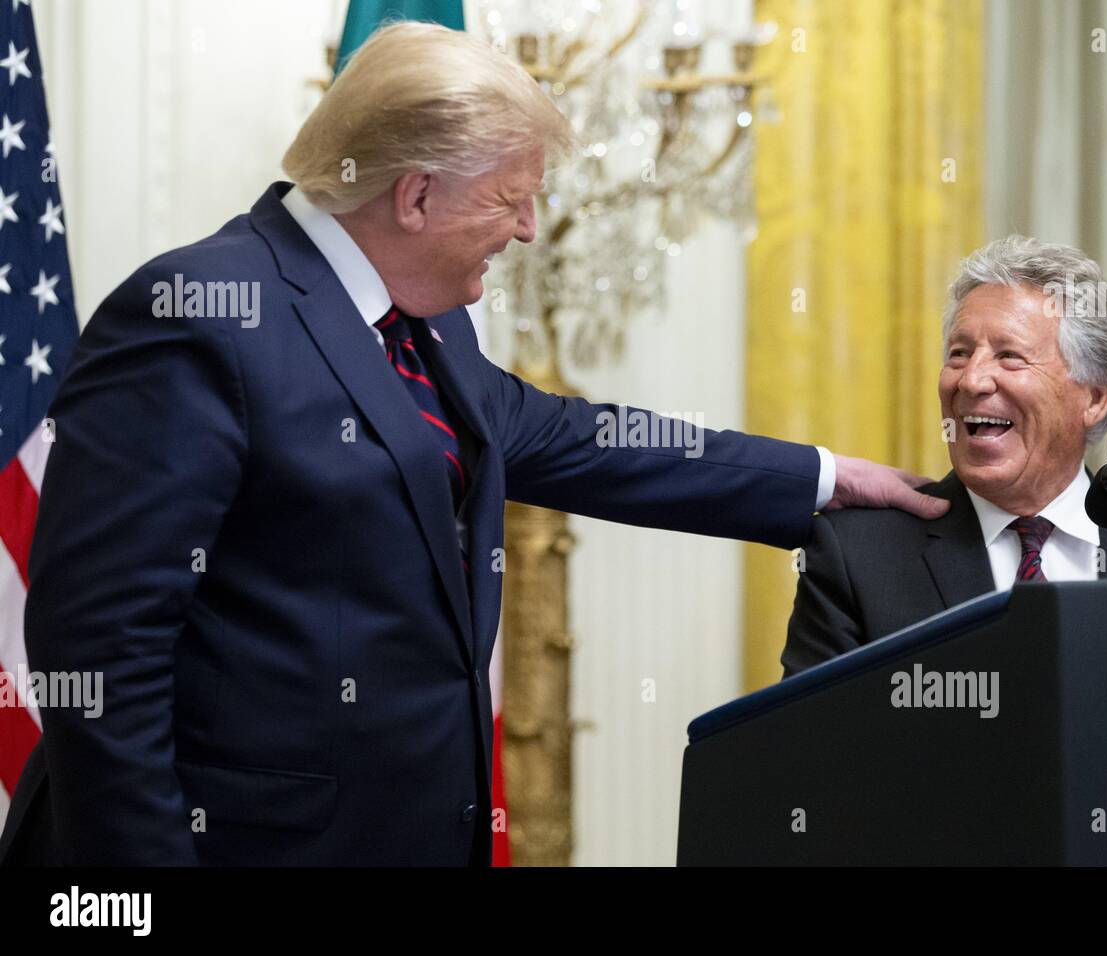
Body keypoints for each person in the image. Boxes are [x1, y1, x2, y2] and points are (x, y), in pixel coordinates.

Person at [0, 22, 946, 866]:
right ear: (414, 195)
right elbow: (100, 654)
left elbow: (585, 438)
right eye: (510, 199)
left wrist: (825, 477)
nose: (530, 230)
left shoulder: (429, 323)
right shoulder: (199, 319)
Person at [781, 235, 1107, 678]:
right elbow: (809, 750)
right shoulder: (856, 556)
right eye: (959, 354)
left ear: (1096, 398)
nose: (971, 380)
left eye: (1009, 357)